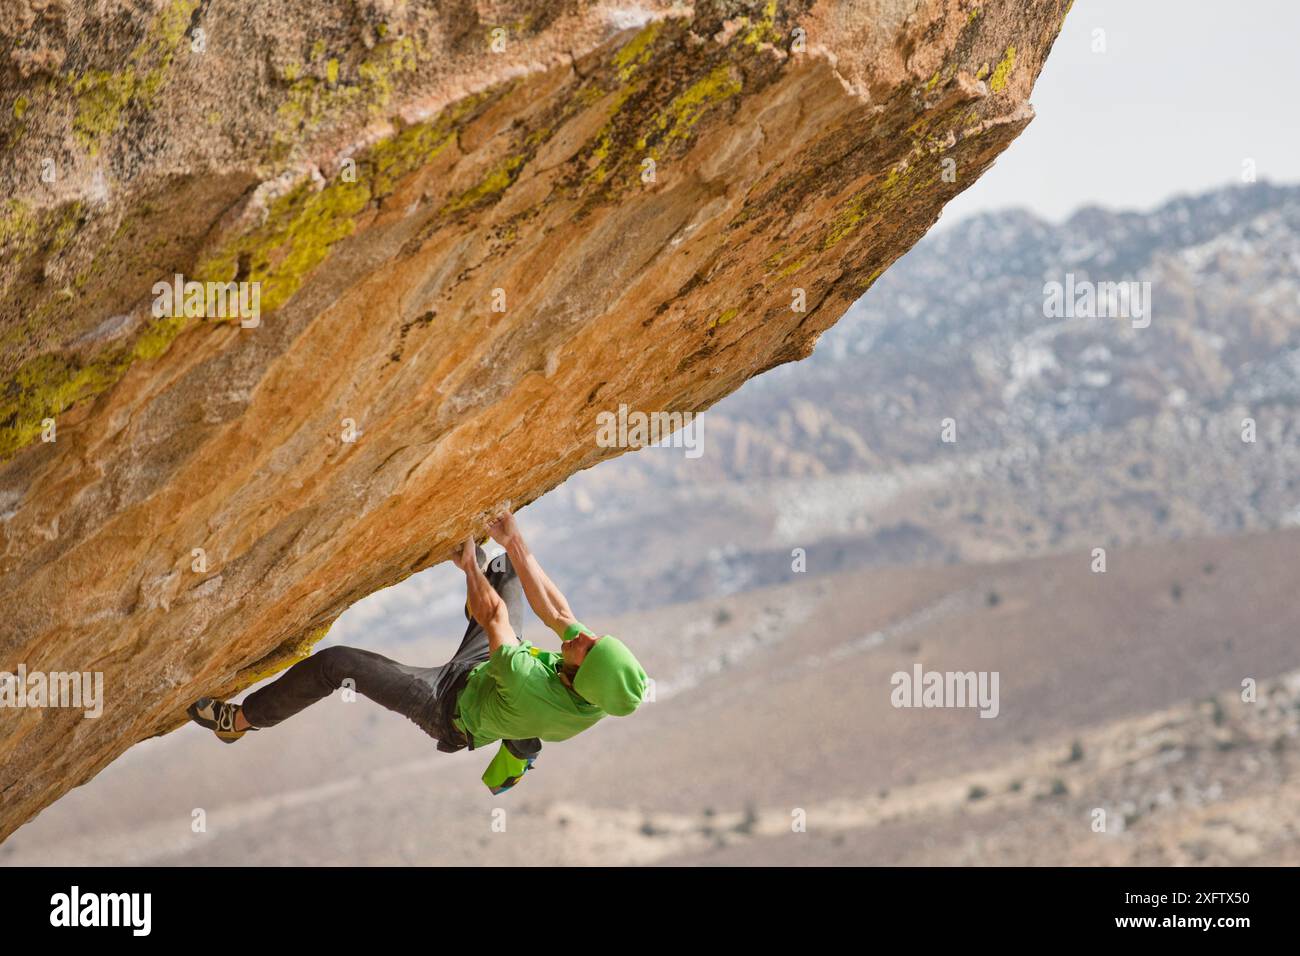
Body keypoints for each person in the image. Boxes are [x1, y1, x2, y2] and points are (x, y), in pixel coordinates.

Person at [187, 509, 647, 792]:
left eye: (587, 648)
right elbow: (558, 612)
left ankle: (239, 722)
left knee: (336, 664)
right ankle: (517, 732)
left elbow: (495, 621)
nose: (583, 638)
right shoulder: (597, 685)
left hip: (447, 706)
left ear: (581, 677)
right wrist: (514, 542)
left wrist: (469, 566)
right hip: (493, 673)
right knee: (506, 569)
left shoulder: (533, 687)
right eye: (593, 639)